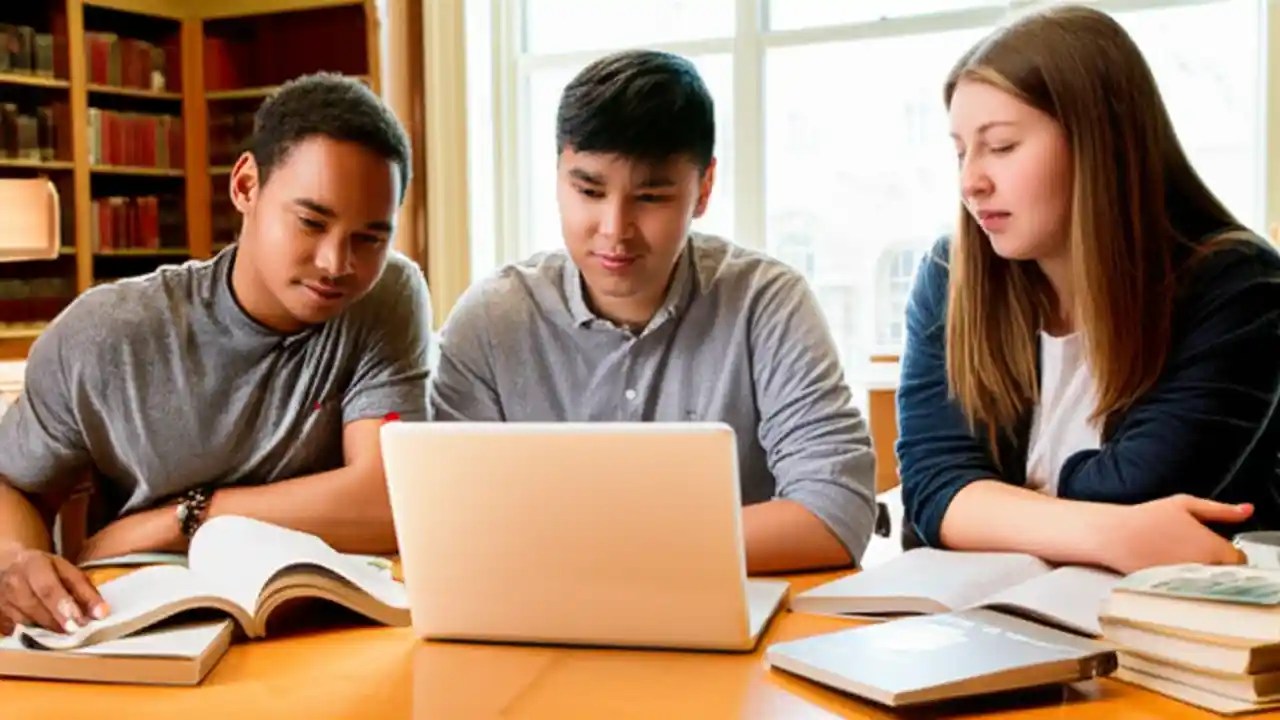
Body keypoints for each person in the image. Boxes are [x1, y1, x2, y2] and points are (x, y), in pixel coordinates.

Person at [0, 72, 431, 636]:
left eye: (370, 238)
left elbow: (387, 498)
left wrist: (185, 518)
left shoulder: (386, 296)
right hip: (136, 620)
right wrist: (16, 561)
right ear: (246, 186)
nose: (336, 264)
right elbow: (14, 483)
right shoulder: (104, 334)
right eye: (311, 222)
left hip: (316, 622)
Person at [429, 50, 877, 575]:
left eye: (650, 197)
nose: (614, 229)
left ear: (703, 188)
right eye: (589, 191)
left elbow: (835, 512)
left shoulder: (766, 303)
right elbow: (450, 521)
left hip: (727, 628)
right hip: (543, 624)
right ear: (557, 176)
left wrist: (615, 553)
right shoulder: (490, 321)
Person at [897, 4, 1280, 574]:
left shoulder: (1241, 288)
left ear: (1098, 143)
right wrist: (1114, 533)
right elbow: (932, 490)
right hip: (996, 616)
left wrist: (992, 505)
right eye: (961, 151)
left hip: (1187, 637)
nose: (970, 181)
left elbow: (1142, 490)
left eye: (1000, 146)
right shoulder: (952, 274)